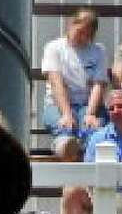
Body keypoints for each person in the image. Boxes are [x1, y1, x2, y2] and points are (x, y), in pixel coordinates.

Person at [40, 9, 108, 161]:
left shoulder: (99, 51)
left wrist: (90, 113)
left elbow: (99, 84)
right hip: (57, 104)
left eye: (87, 34)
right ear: (71, 24)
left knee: (92, 130)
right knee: (65, 128)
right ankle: (66, 149)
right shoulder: (54, 48)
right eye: (80, 32)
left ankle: (89, 157)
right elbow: (56, 82)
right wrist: (66, 113)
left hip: (87, 104)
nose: (82, 37)